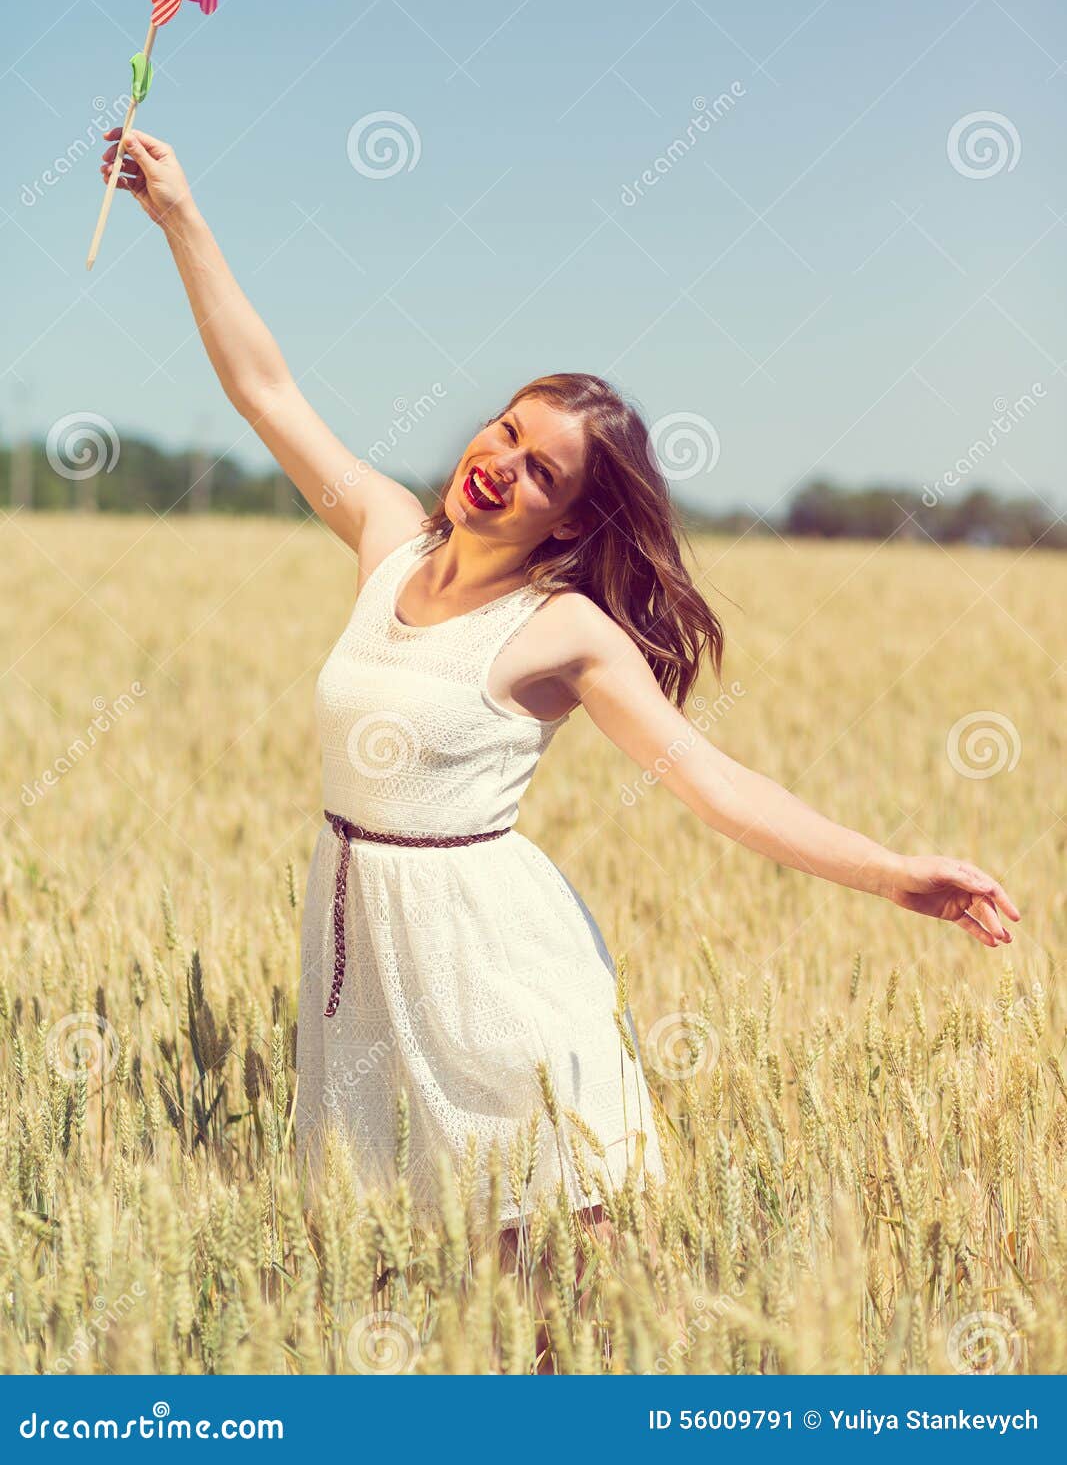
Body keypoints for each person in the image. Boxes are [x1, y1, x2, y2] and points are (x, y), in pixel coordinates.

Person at [99, 125, 1021, 1260]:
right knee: (390, 1257)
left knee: (544, 1261)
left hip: (483, 954)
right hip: (356, 931)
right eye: (506, 430)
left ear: (573, 518)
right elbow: (264, 389)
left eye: (542, 469)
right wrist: (179, 214)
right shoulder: (385, 534)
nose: (501, 461)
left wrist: (891, 874)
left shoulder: (561, 631)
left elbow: (710, 781)